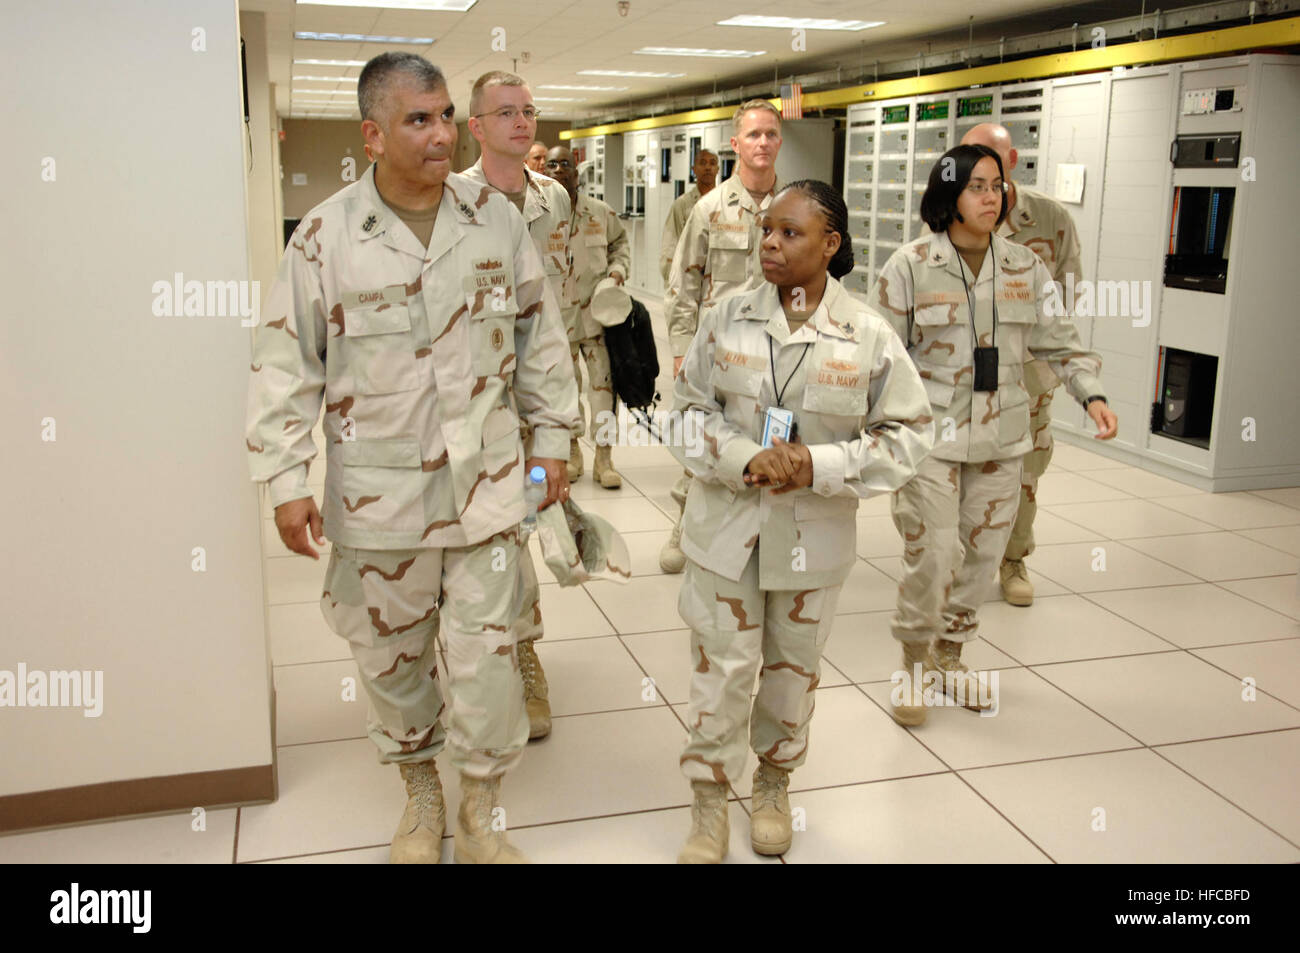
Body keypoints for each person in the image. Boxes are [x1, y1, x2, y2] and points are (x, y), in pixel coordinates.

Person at [245, 52, 580, 864]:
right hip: (379, 504)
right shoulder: (326, 236)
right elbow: (288, 365)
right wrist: (287, 482)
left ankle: (482, 809)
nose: (440, 135)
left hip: (491, 490)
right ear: (373, 135)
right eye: (417, 120)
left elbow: (541, 335)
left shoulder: (493, 218)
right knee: (393, 660)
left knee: (489, 661)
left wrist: (558, 438)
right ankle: (422, 791)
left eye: (444, 116)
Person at [672, 181, 934, 863]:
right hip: (725, 529)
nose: (770, 243)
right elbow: (684, 412)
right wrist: (741, 454)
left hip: (810, 537)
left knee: (792, 670)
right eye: (765, 230)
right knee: (720, 668)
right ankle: (707, 798)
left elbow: (908, 437)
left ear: (831, 244)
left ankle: (773, 783)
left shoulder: (868, 334)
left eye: (790, 233)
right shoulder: (726, 315)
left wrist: (816, 463)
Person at [870, 144, 1118, 727]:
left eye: (998, 185)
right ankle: (911, 662)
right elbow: (880, 361)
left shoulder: (1024, 267)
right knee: (932, 555)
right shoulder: (909, 265)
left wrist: (1093, 394)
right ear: (947, 196)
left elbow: (1059, 341)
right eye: (978, 186)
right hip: (928, 437)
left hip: (1003, 437)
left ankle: (949, 654)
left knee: (982, 558)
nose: (993, 196)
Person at [460, 70, 573, 741]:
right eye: (505, 112)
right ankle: (503, 652)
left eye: (529, 110)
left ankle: (523, 652)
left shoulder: (552, 198)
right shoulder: (456, 202)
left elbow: (556, 295)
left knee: (528, 524)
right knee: (496, 534)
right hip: (481, 404)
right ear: (476, 126)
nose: (522, 122)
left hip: (543, 391)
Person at [961, 123, 1085, 607]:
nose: (983, 170)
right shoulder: (948, 215)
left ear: (1011, 160)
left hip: (1026, 372)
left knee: (1025, 470)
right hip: (963, 372)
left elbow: (1068, 294)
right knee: (963, 467)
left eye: (992, 158)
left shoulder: (1049, 219)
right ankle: (960, 559)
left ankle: (1013, 558)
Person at [660, 101, 784, 574]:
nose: (763, 143)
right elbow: (683, 286)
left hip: (778, 350)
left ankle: (763, 536)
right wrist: (680, 350)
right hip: (718, 352)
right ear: (736, 144)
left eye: (771, 134)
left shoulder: (797, 208)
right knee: (704, 440)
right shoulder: (710, 209)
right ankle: (686, 524)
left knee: (773, 440)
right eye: (753, 135)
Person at [544, 144, 631, 487]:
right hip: (555, 322)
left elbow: (620, 246)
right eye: (552, 165)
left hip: (597, 319)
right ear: (543, 172)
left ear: (576, 173)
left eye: (565, 164)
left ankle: (605, 459)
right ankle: (571, 452)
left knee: (603, 391)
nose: (558, 170)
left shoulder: (600, 213)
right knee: (564, 391)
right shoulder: (535, 217)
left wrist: (618, 272)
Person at [659, 148, 719, 284]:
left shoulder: (725, 203)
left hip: (717, 280)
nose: (708, 167)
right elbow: (670, 244)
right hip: (689, 278)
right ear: (694, 169)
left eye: (712, 163)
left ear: (718, 169)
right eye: (702, 163)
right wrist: (672, 280)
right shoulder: (682, 205)